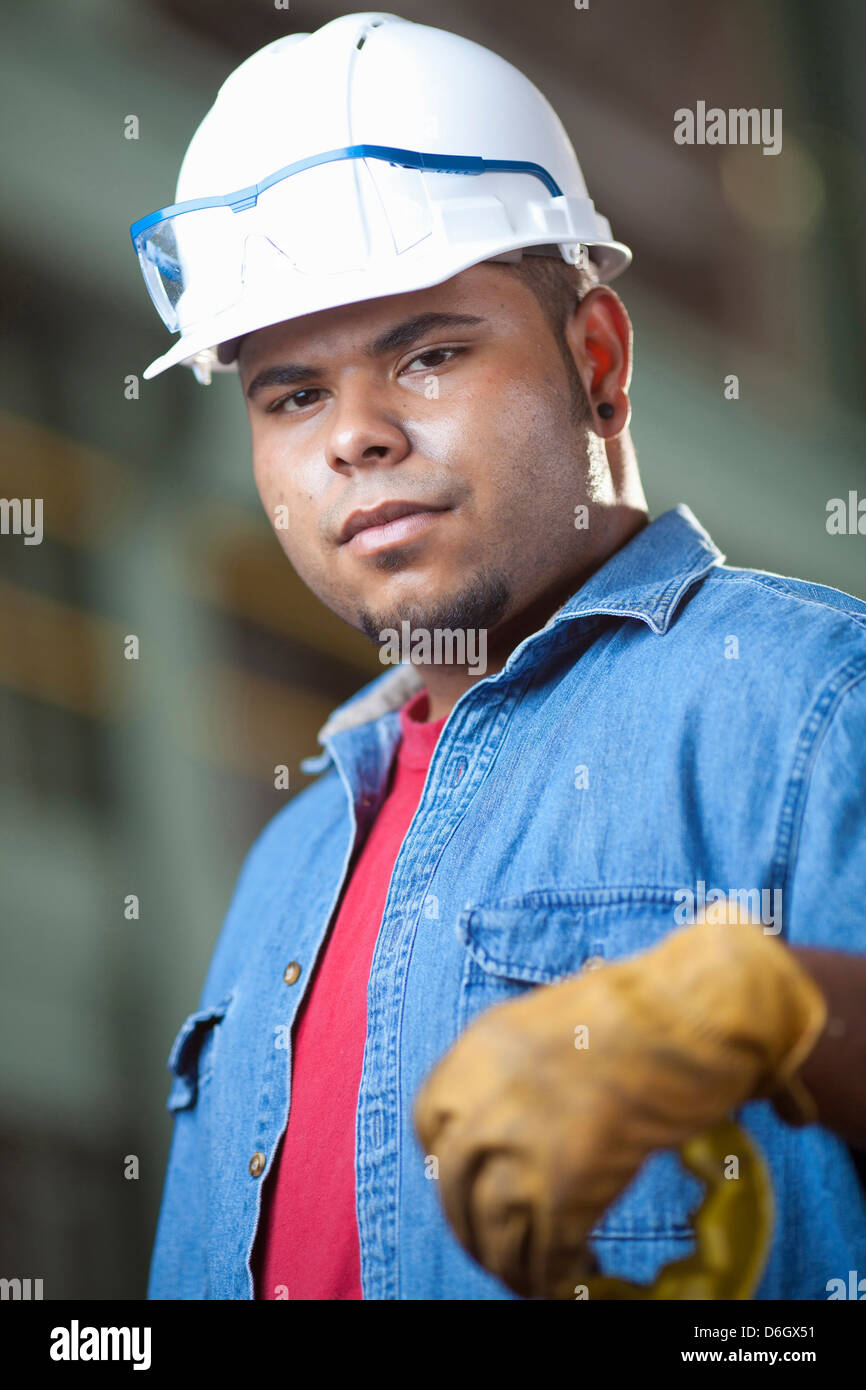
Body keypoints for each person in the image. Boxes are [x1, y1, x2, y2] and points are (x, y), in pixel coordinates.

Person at [133, 12, 866, 1301]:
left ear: (597, 362)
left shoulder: (812, 703)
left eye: (428, 354)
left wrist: (784, 1011)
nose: (354, 435)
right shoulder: (286, 869)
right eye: (292, 394)